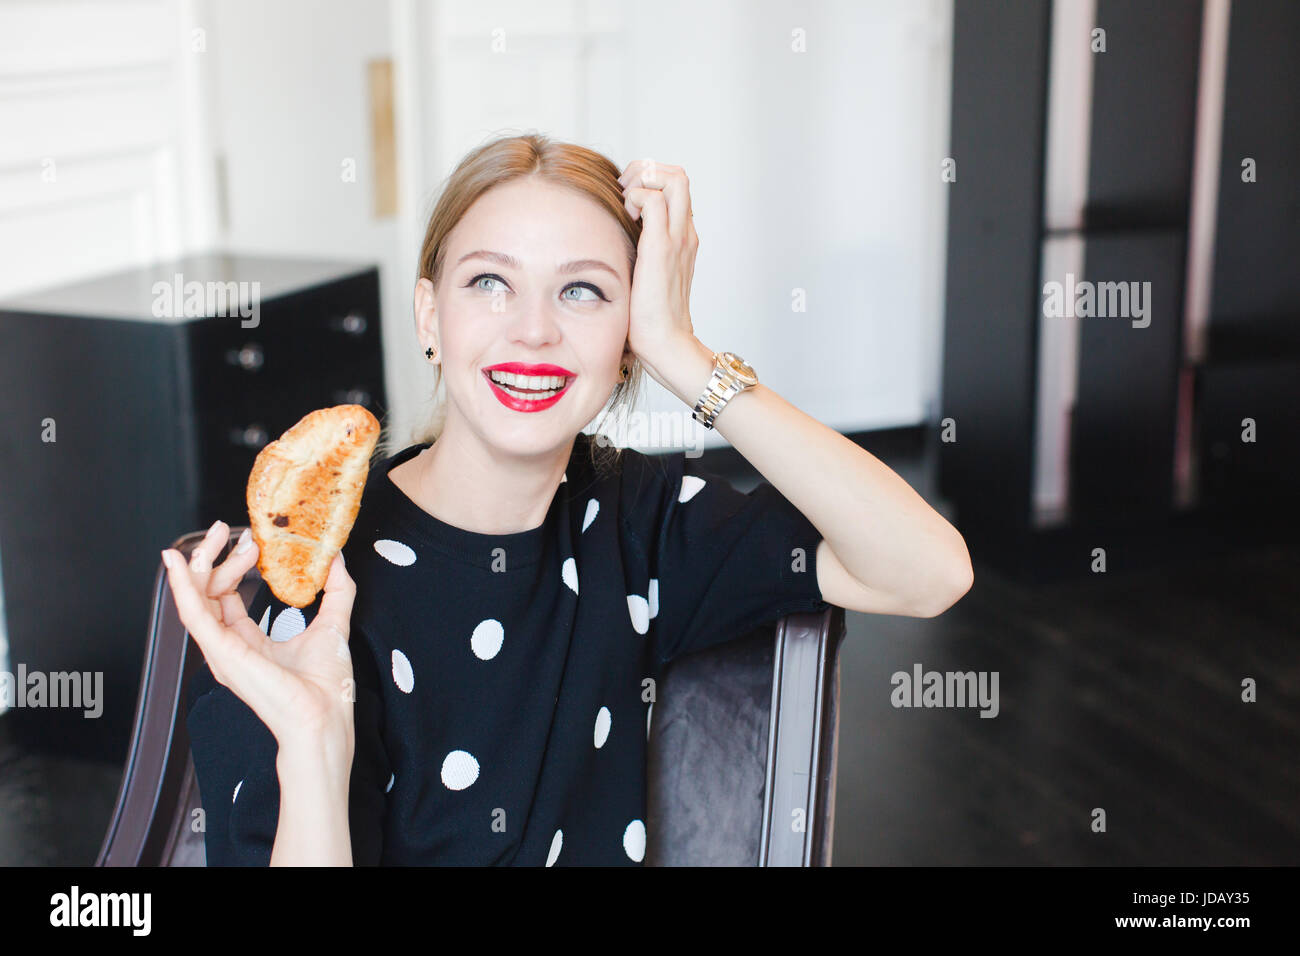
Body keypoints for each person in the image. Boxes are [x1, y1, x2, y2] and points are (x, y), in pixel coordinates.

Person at [161, 132, 974, 866]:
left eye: (582, 292)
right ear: (428, 317)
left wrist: (683, 354)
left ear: (627, 342)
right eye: (489, 283)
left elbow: (926, 569)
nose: (535, 331)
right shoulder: (310, 592)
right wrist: (311, 741)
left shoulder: (635, 521)